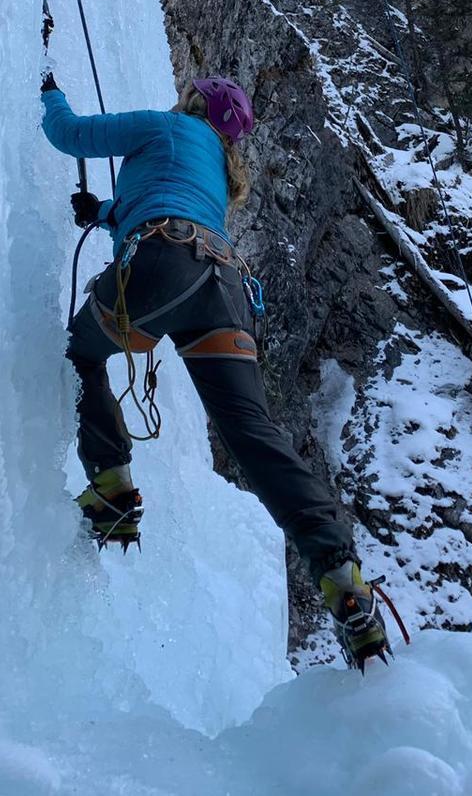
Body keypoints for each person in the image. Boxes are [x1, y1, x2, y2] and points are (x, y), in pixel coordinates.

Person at [40, 72, 391, 668]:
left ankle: (112, 487)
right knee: (252, 432)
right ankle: (340, 575)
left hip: (162, 262)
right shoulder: (219, 172)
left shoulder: (166, 126)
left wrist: (48, 87)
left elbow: (69, 134)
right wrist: (103, 213)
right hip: (225, 287)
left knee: (82, 353)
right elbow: (169, 196)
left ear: (193, 102)